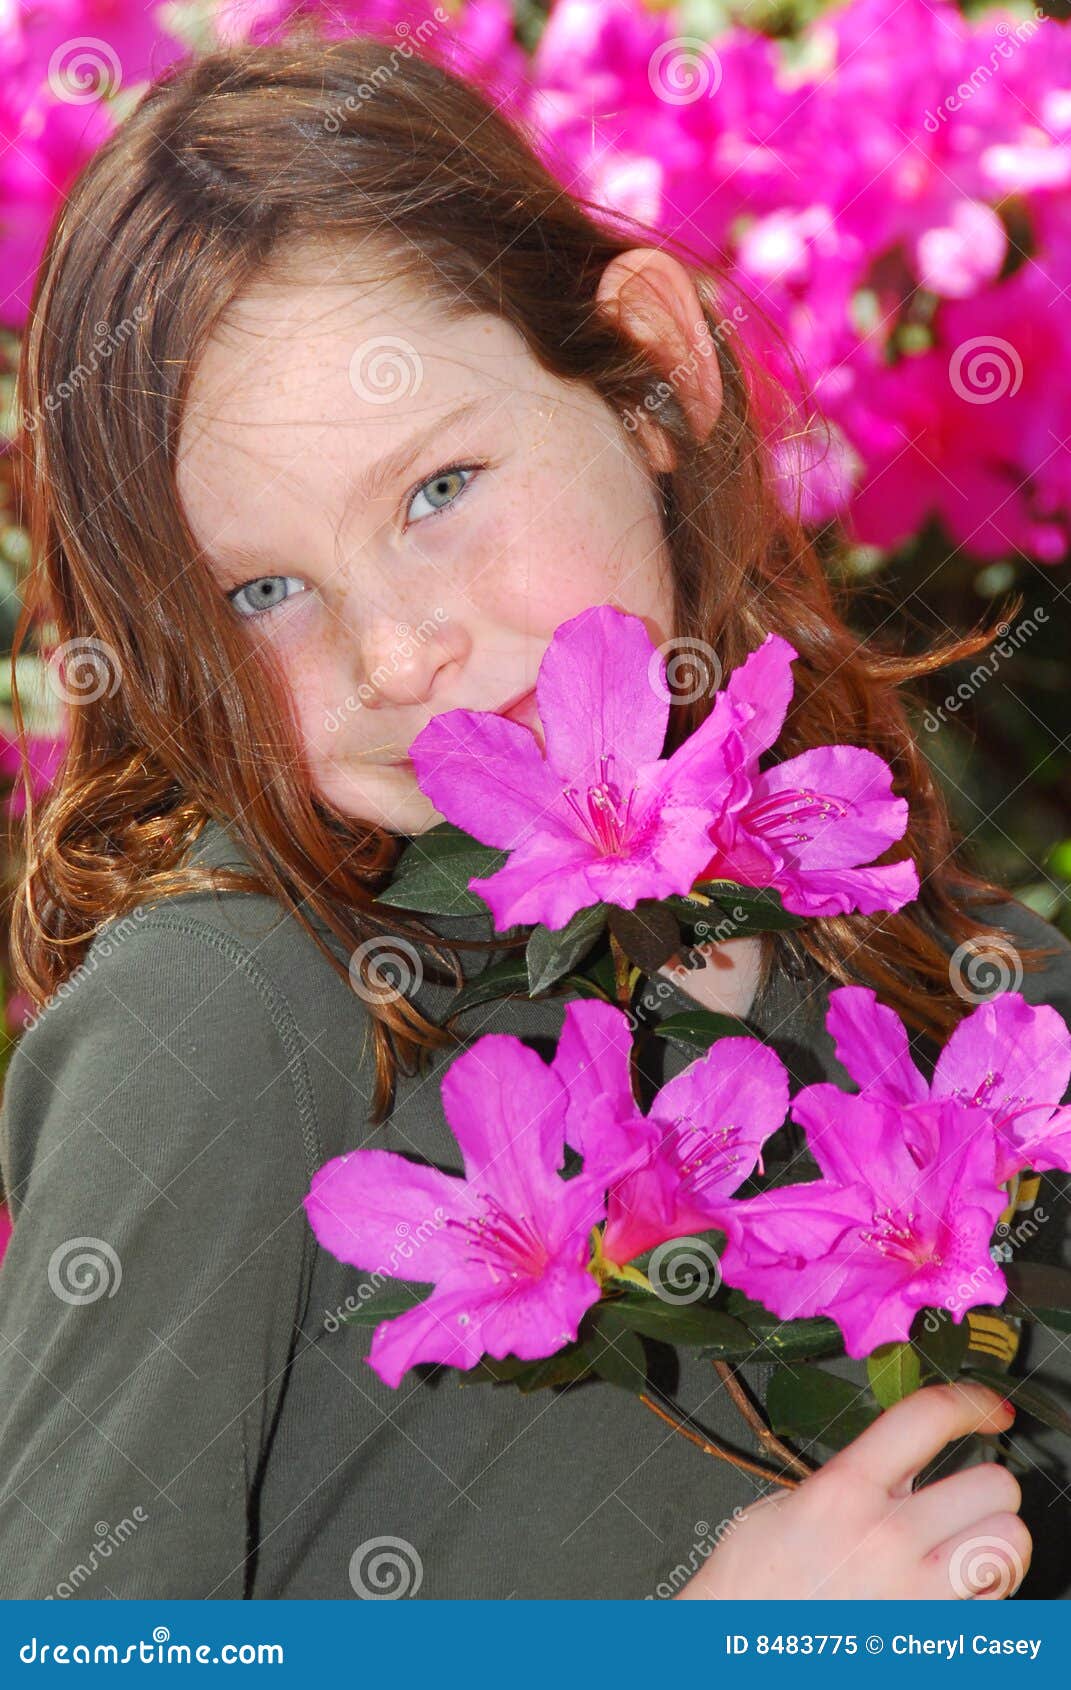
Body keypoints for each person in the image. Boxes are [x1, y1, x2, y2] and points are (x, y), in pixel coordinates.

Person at [0, 33, 1065, 1600]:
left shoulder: (946, 973)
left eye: (438, 489)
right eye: (264, 590)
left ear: (649, 370)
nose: (393, 654)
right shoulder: (229, 1017)